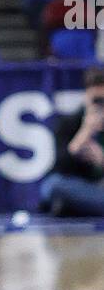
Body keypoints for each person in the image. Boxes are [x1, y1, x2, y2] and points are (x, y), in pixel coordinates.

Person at [40, 67, 104, 216]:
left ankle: (75, 207)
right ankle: (80, 205)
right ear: (86, 96)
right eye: (96, 100)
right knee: (53, 185)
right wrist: (84, 133)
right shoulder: (68, 122)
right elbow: (60, 165)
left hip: (99, 187)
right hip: (75, 185)